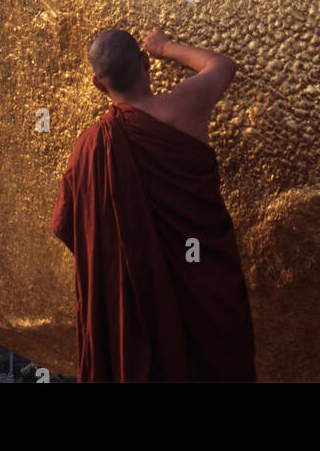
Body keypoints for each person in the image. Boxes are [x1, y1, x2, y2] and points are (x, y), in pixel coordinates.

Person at [50, 26, 256, 382]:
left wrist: (125, 258)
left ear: (98, 85)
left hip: (133, 313)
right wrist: (165, 46)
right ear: (145, 62)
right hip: (205, 296)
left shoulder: (89, 148)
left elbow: (68, 227)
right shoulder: (184, 107)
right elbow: (222, 65)